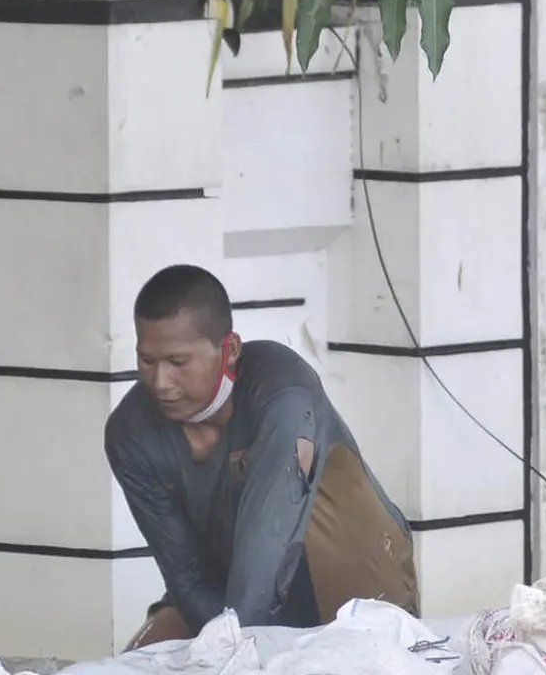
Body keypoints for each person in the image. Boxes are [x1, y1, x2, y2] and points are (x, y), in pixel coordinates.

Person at [106, 264, 417, 648]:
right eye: (147, 362)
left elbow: (268, 543)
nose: (160, 382)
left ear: (230, 350)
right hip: (229, 595)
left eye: (178, 363)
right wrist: (224, 647)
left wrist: (239, 651)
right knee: (139, 663)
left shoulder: (282, 391)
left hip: (353, 585)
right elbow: (184, 574)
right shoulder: (130, 433)